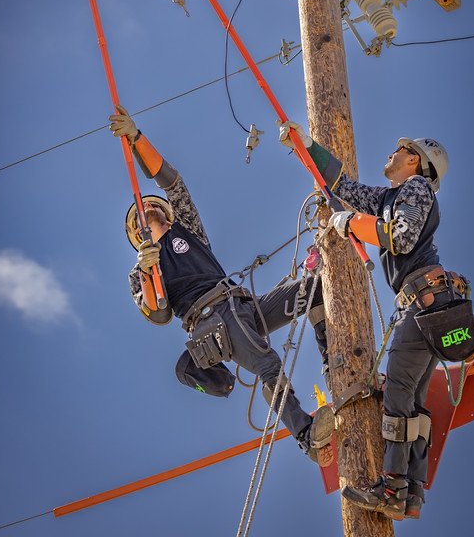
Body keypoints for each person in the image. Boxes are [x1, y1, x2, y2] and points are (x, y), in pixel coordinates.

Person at [109, 105, 335, 466]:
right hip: (214, 319)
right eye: (141, 214)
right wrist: (150, 271)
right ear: (137, 233)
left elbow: (173, 183)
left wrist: (137, 139)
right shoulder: (141, 273)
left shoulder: (188, 230)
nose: (147, 211)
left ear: (165, 213)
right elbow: (159, 314)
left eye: (151, 206)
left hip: (243, 305)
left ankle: (334, 367)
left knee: (316, 288)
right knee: (268, 365)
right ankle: (307, 435)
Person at [279, 121, 460, 520]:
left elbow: (403, 236)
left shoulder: (416, 189)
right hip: (431, 303)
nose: (392, 153)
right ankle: (410, 492)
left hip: (422, 300)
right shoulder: (393, 195)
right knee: (411, 399)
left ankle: (393, 487)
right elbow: (344, 187)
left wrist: (352, 224)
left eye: (400, 149)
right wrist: (304, 142)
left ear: (415, 159)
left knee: (398, 392)